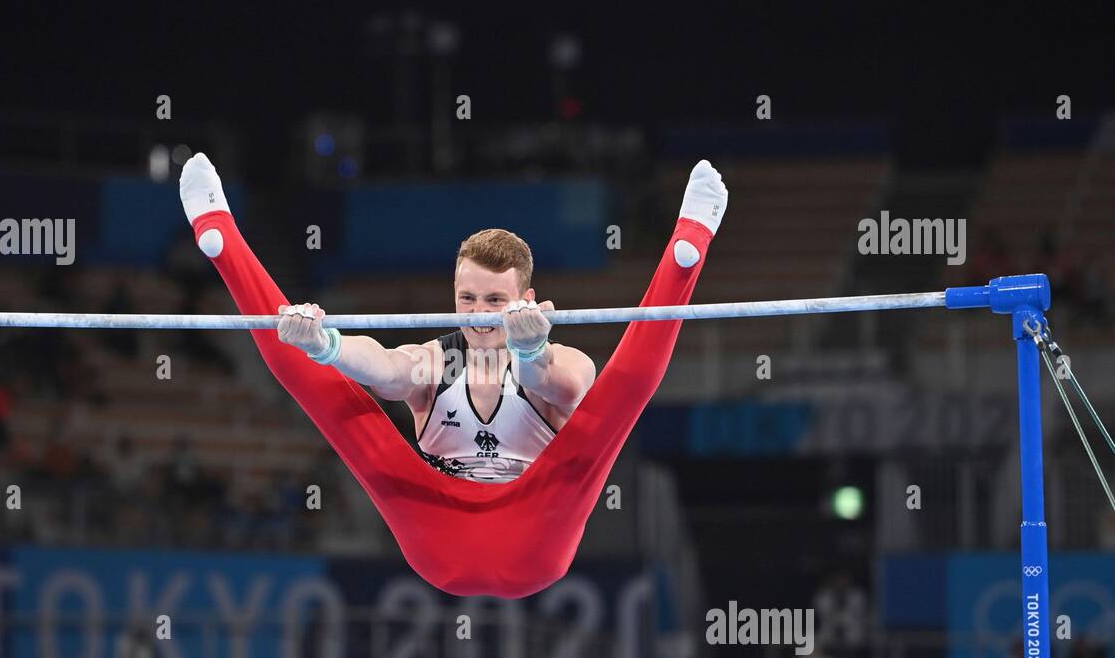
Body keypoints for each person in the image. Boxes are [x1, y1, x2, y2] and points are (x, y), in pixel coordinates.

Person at [178, 153, 726, 597]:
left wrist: (531, 351)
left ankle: (687, 248)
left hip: (536, 533)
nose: (479, 312)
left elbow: (552, 385)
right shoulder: (436, 360)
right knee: (323, 383)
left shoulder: (564, 356)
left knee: (616, 402)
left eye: (495, 299)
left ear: (526, 299)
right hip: (437, 530)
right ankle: (220, 235)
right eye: (467, 297)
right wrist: (328, 344)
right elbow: (388, 372)